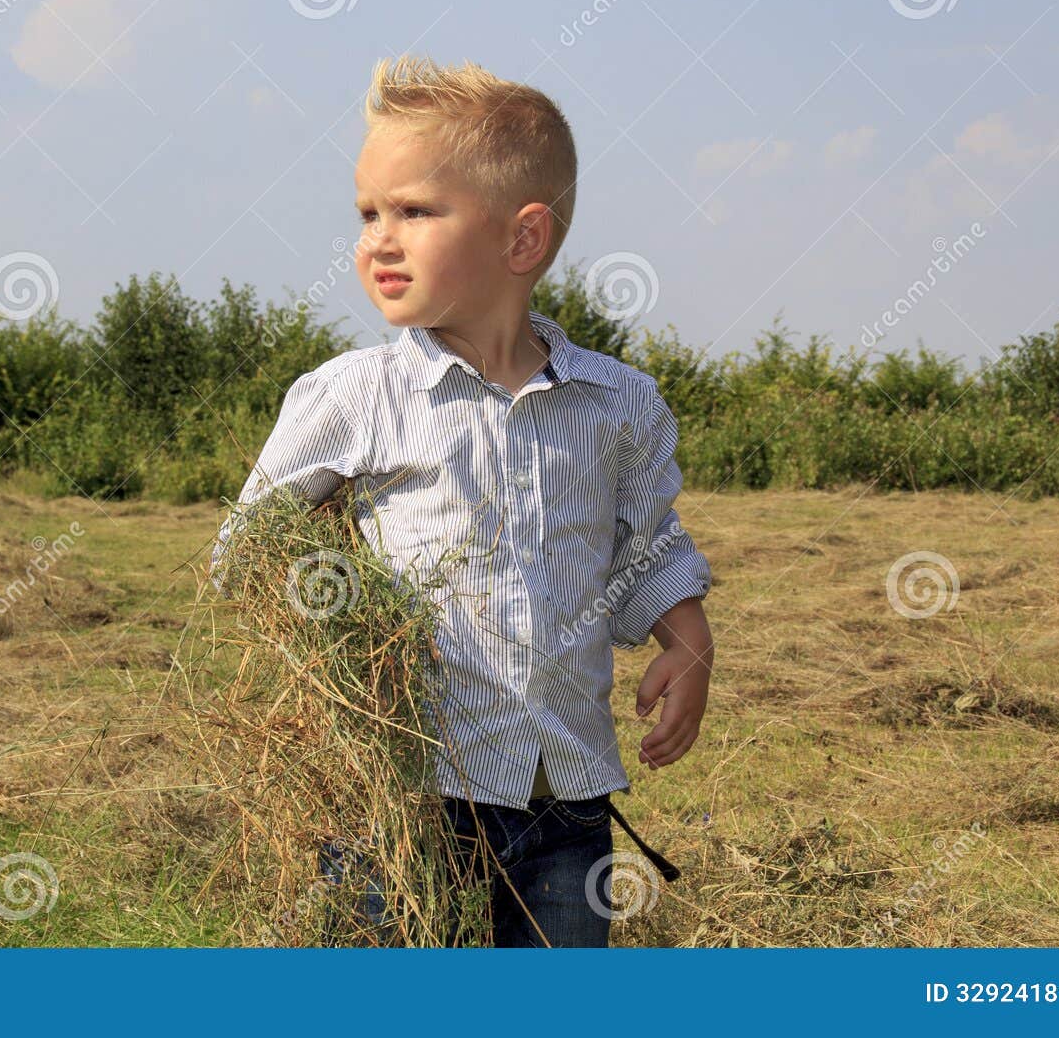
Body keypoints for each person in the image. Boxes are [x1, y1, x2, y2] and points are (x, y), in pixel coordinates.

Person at [211, 54, 716, 947]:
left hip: (566, 797)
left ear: (522, 239)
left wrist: (688, 641)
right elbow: (246, 547)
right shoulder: (353, 394)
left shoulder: (615, 401)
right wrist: (333, 592)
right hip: (406, 796)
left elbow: (647, 542)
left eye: (414, 211)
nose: (378, 238)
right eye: (368, 213)